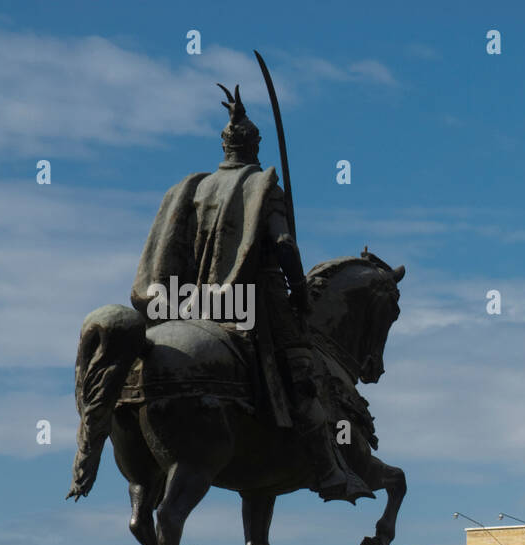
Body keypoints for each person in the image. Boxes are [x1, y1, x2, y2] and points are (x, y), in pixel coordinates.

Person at [130, 84, 369, 503]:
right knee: (304, 375)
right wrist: (299, 290)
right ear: (254, 145)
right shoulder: (261, 186)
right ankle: (330, 470)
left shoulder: (196, 188)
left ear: (224, 146)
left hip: (193, 302)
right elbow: (284, 246)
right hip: (256, 302)